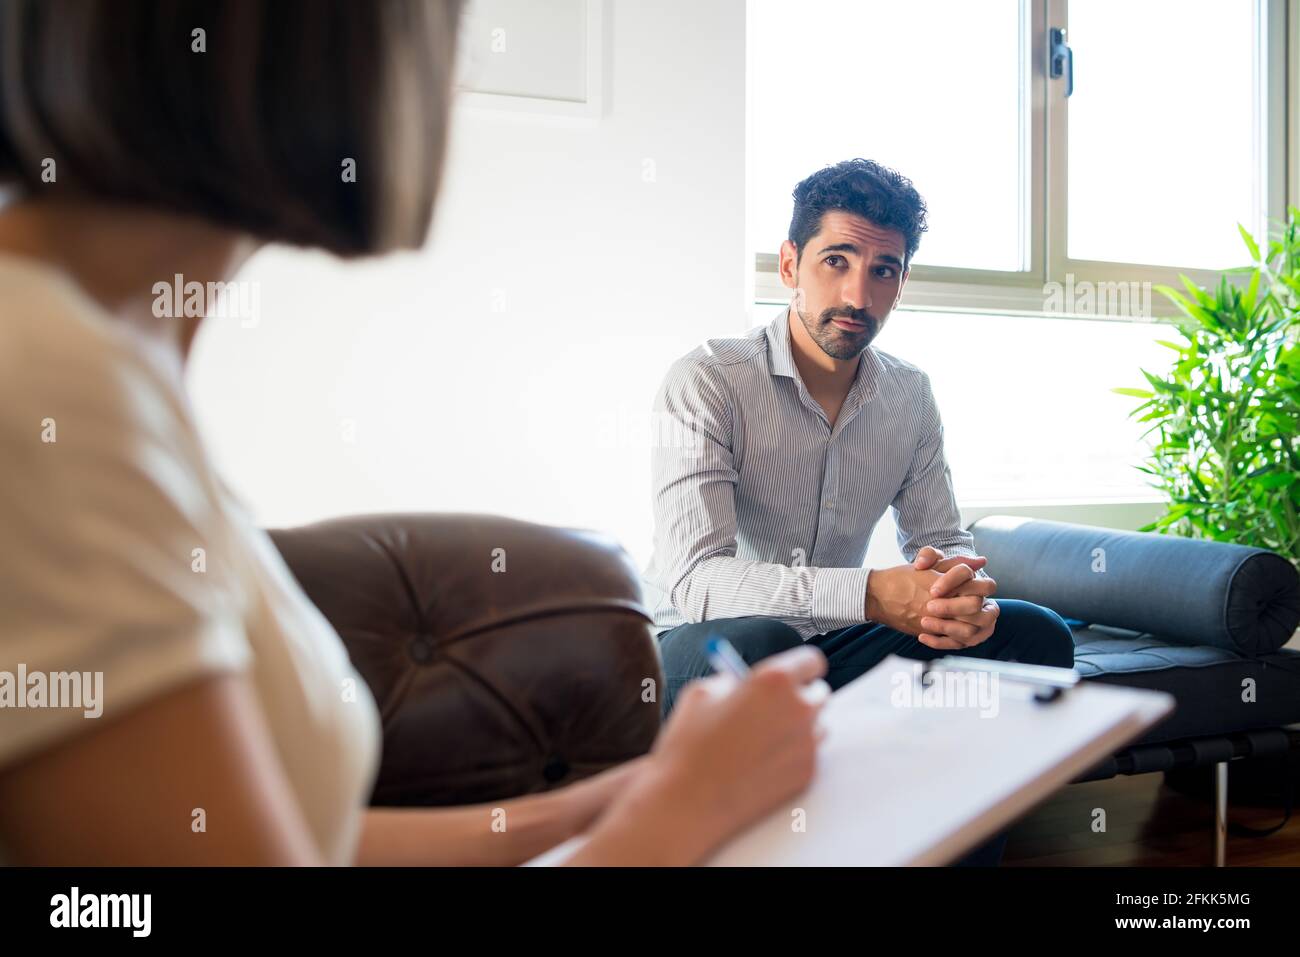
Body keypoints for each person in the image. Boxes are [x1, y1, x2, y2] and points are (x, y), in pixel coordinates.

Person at [0, 0, 827, 867]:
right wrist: (689, 810)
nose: (461, 59)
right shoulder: (51, 379)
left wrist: (619, 799)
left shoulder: (95, 356)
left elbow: (299, 840)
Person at [642, 159, 1077, 864]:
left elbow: (941, 536)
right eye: (836, 260)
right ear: (789, 264)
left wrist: (959, 595)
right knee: (764, 647)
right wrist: (875, 593)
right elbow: (696, 581)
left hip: (836, 644)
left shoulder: (909, 395)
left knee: (1035, 637)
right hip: (702, 647)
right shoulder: (707, 379)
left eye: (884, 270)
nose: (857, 292)